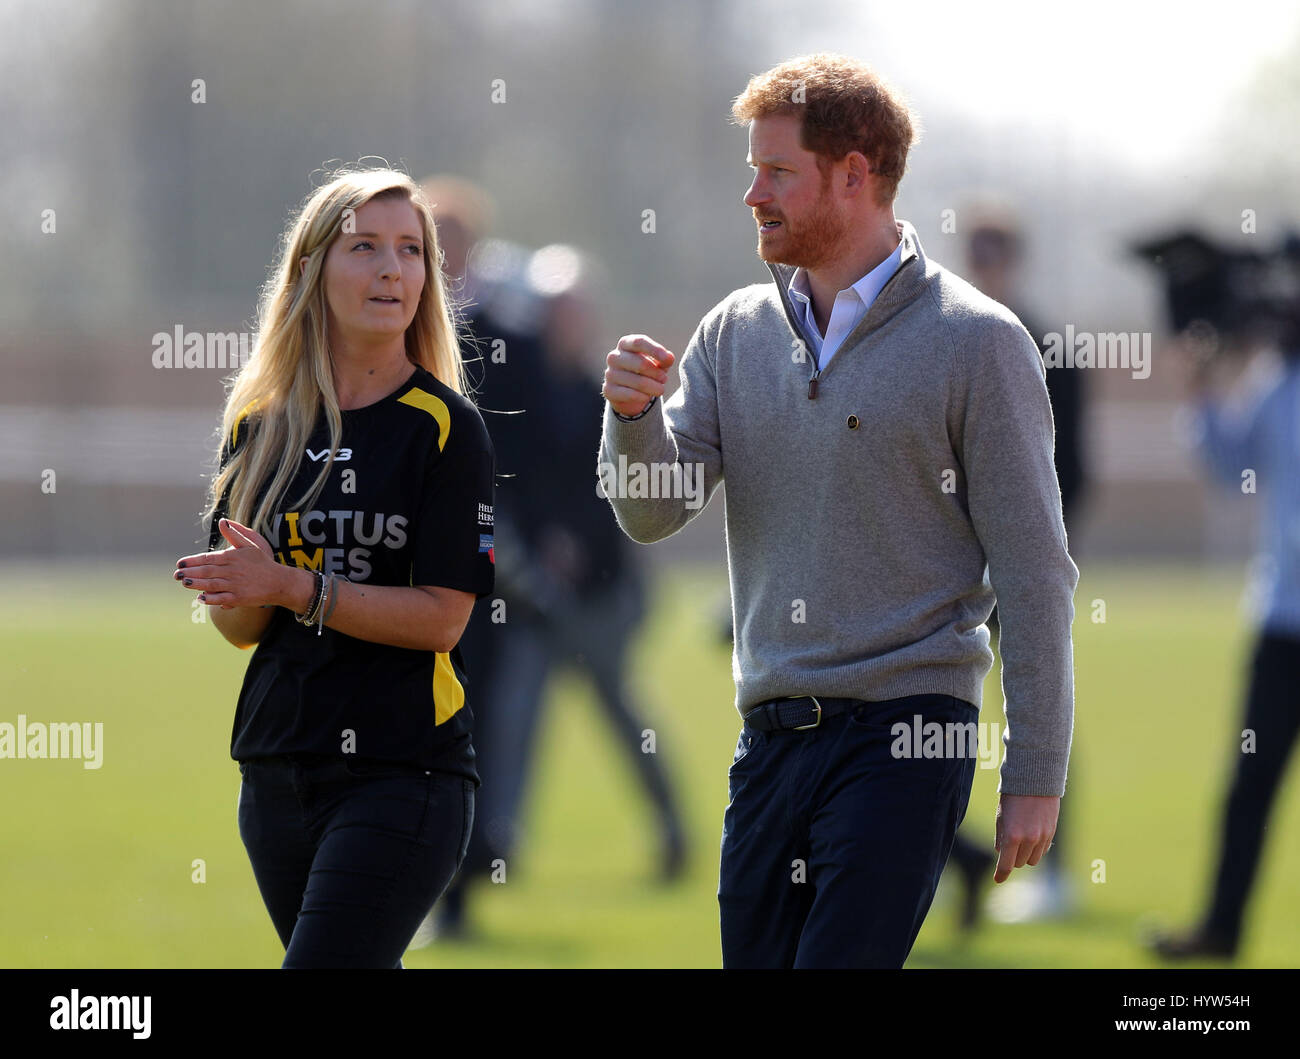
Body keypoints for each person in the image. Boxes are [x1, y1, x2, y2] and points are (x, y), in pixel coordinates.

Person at [599, 53, 1078, 968]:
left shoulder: (977, 342)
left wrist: (1036, 772)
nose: (752, 193)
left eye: (776, 171)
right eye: (753, 170)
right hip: (769, 745)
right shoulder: (734, 331)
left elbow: (1034, 568)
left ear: (855, 173)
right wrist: (630, 420)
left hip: (907, 733)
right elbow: (651, 514)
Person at [173, 165, 496, 969]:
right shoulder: (261, 423)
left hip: (402, 771)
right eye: (365, 247)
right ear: (312, 270)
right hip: (275, 769)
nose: (393, 269)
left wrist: (295, 586)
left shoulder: (445, 427)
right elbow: (242, 628)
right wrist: (240, 588)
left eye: (410, 250)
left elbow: (443, 618)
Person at [414, 176, 554, 941]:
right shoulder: (392, 331)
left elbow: (534, 454)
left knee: (478, 720)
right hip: (411, 565)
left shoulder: (515, 337)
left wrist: (523, 542)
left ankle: (471, 868)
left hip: (494, 568)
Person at [944, 203, 1089, 928]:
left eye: (997, 247)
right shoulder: (949, 336)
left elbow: (1075, 467)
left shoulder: (1049, 344)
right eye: (978, 247)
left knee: (1038, 704)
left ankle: (1054, 871)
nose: (986, 259)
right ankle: (945, 855)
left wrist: (1036, 554)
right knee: (930, 713)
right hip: (948, 567)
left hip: (1020, 565)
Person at [1147, 338, 1300, 961]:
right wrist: (1201, 388)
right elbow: (1232, 466)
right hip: (1284, 621)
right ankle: (1220, 929)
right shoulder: (1277, 374)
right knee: (1250, 784)